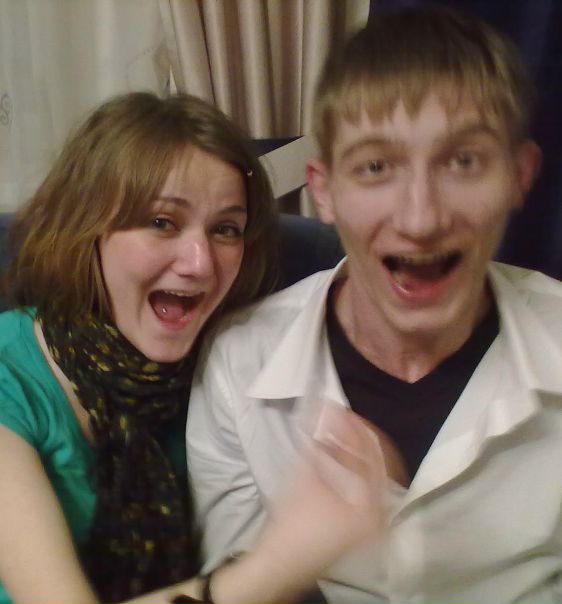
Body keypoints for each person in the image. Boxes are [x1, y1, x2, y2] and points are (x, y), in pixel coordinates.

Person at [187, 6, 562, 604]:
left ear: (519, 175)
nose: (420, 219)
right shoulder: (237, 365)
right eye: (376, 166)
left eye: (464, 161)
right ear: (325, 190)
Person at [0, 92, 384, 604]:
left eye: (225, 229)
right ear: (87, 228)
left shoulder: (227, 365)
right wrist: (284, 561)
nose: (200, 263)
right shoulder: (10, 375)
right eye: (162, 222)